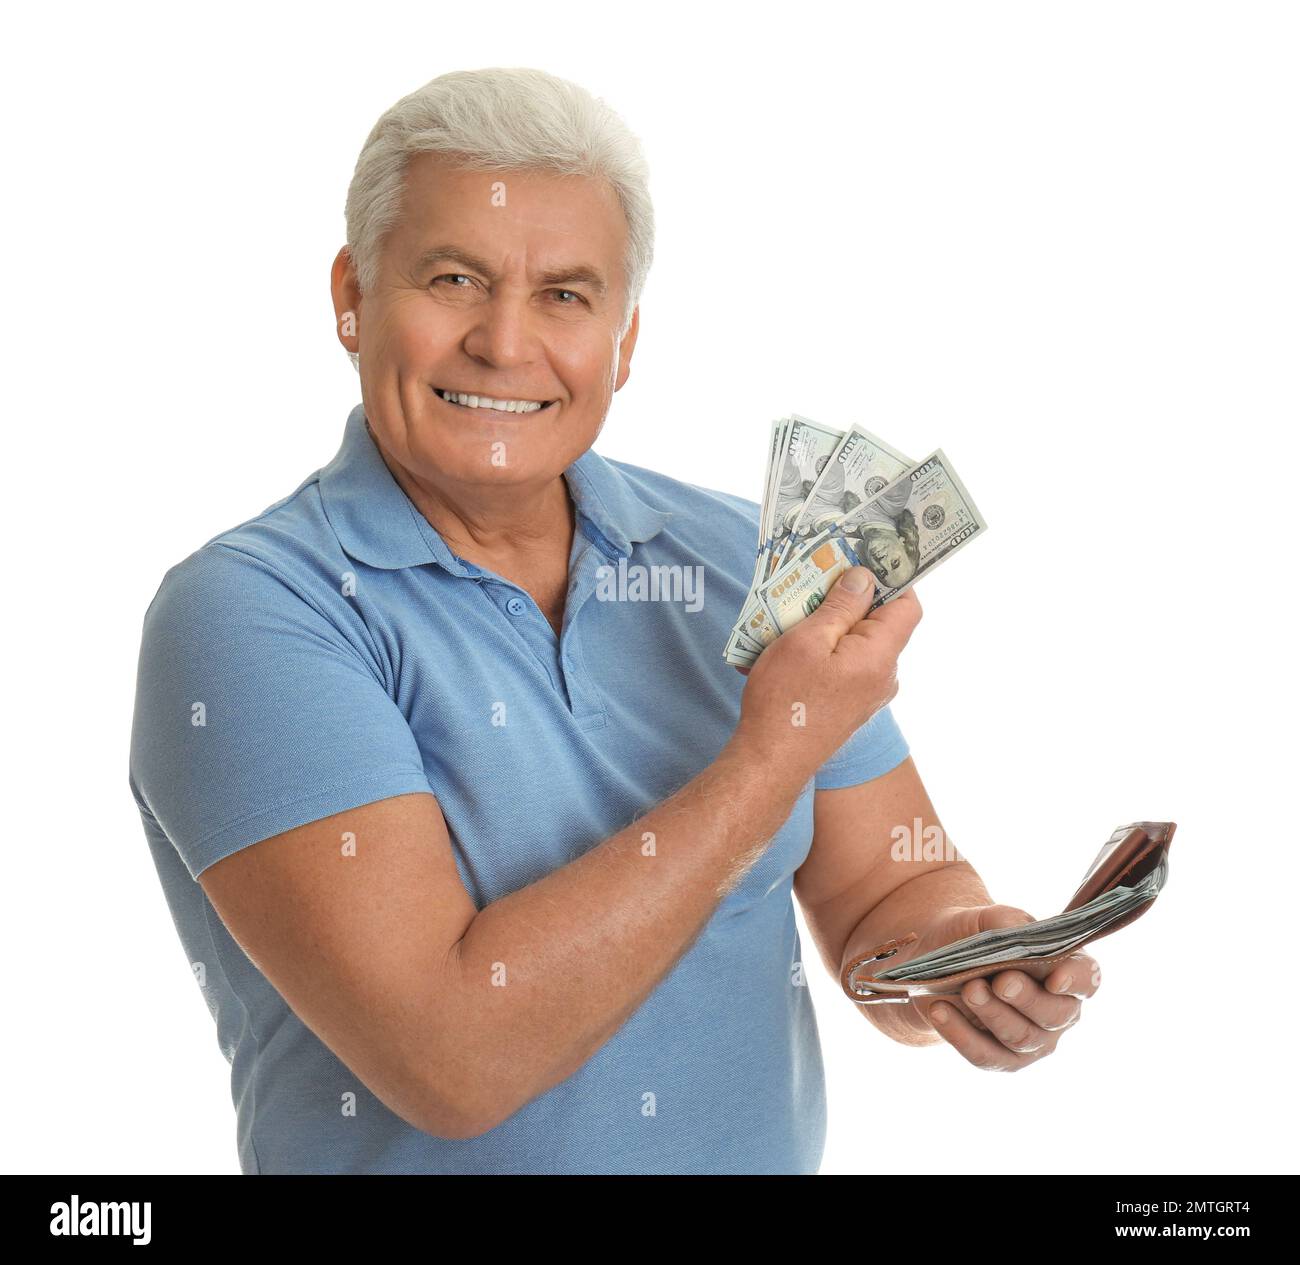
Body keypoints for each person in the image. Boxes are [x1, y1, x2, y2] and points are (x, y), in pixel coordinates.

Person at [128, 67, 1097, 1176]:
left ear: (625, 340)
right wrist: (769, 752)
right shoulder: (248, 617)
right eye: (453, 278)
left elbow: (888, 887)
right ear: (352, 294)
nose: (503, 341)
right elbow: (453, 1057)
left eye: (566, 295)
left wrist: (957, 961)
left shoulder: (744, 558)